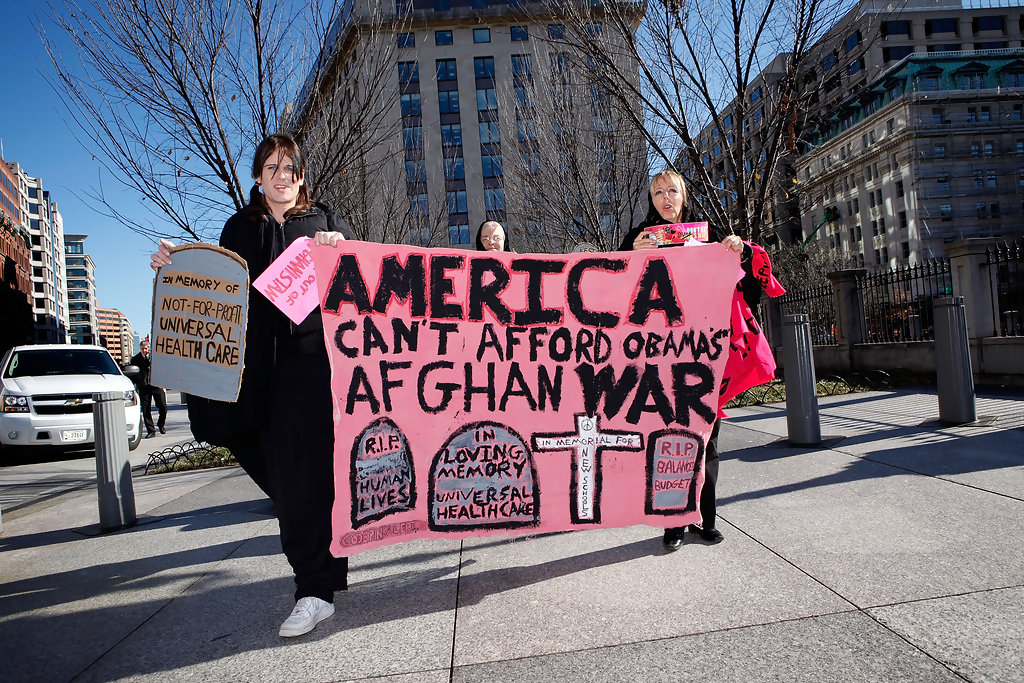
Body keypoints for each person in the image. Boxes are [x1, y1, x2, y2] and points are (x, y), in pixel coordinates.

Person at [150, 134, 351, 638]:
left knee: (311, 480)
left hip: (315, 372)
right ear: (257, 175)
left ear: (302, 176)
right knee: (289, 481)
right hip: (259, 374)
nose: (281, 176)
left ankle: (315, 590)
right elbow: (217, 288)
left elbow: (358, 280)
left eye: (289, 168)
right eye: (271, 167)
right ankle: (319, 573)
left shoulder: (324, 221)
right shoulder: (240, 226)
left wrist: (339, 248)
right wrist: (174, 267)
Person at [619, 169, 742, 551]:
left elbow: (740, 276)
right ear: (651, 198)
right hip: (660, 357)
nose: (665, 197)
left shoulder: (706, 232)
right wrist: (630, 254)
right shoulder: (638, 236)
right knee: (667, 441)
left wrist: (736, 245)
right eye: (657, 191)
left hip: (704, 353)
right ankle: (673, 523)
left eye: (672, 190)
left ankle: (706, 519)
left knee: (708, 442)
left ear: (683, 196)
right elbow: (615, 283)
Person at [129, 340, 166, 437]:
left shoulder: (155, 357)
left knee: (163, 406)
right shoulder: (135, 359)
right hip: (144, 386)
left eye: (145, 349)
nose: (144, 351)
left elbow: (163, 368)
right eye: (142, 349)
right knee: (146, 409)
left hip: (156, 385)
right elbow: (132, 373)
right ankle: (151, 430)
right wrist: (136, 383)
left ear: (149, 348)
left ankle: (161, 424)